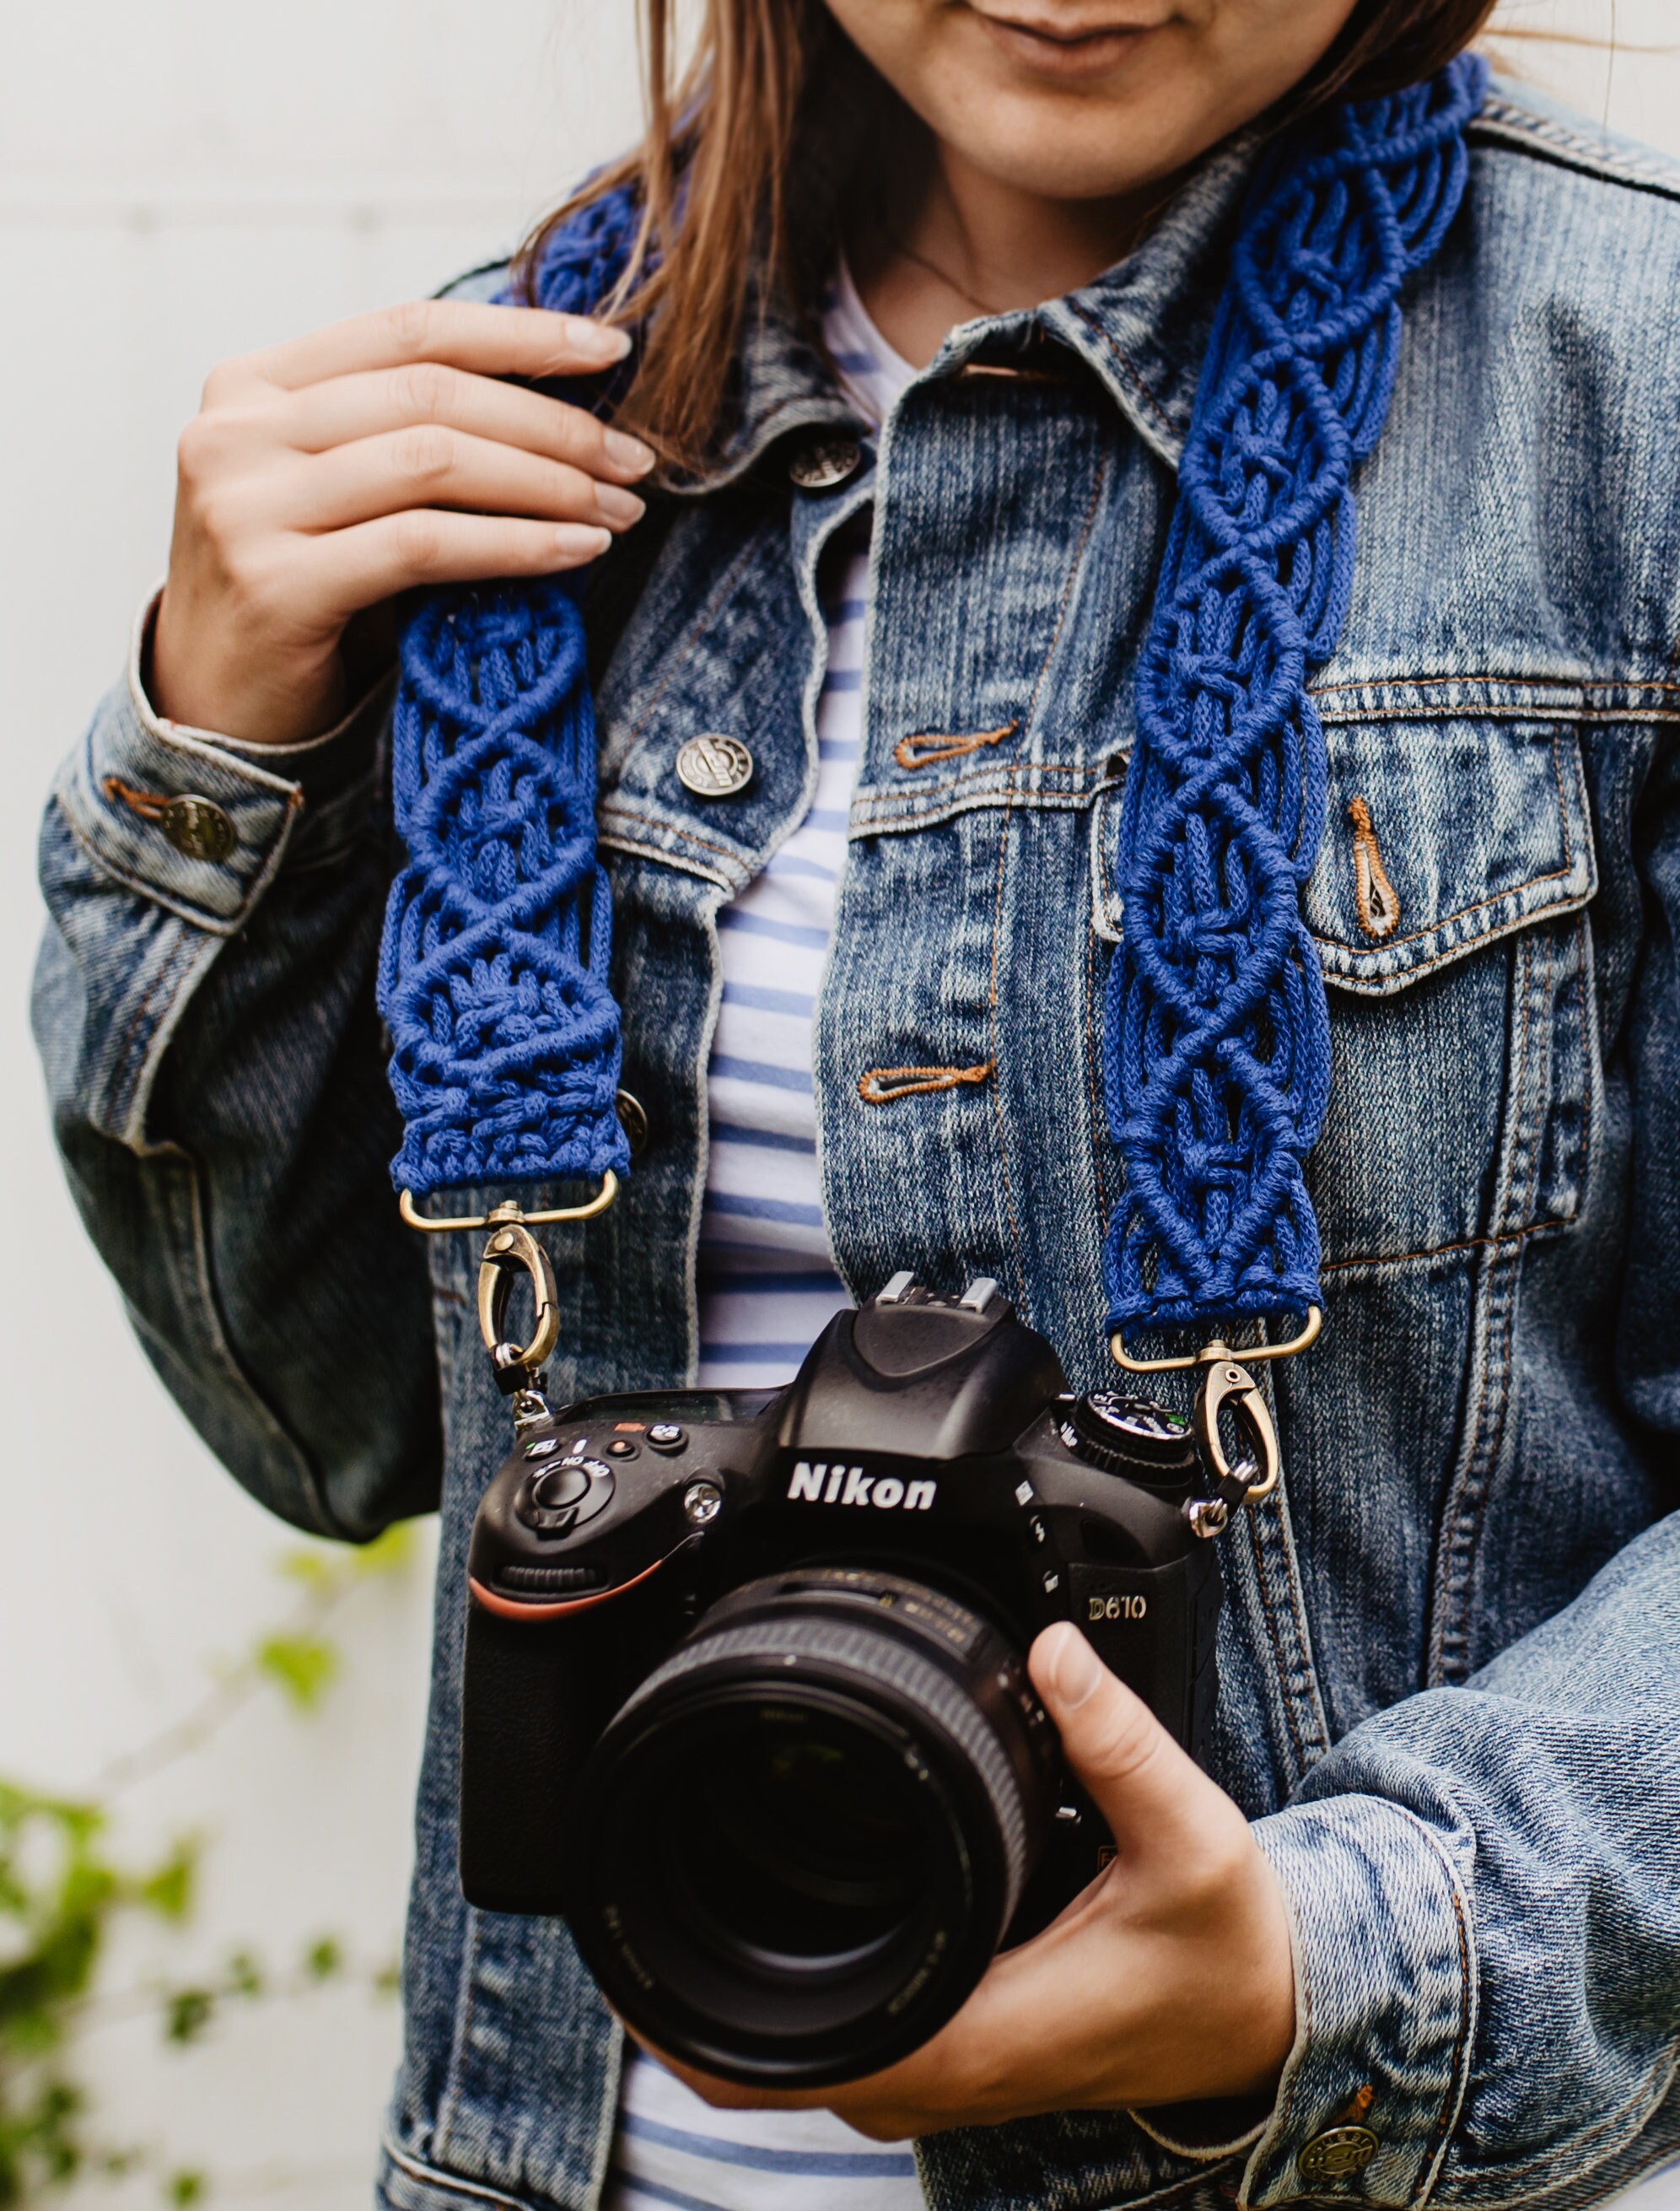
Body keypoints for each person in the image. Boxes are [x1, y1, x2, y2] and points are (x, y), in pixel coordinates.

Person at [31, 1, 1680, 2206]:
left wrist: (1345, 1951)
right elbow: (323, 1419)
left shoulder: (1633, 394)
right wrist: (220, 738)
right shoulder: (509, 418)